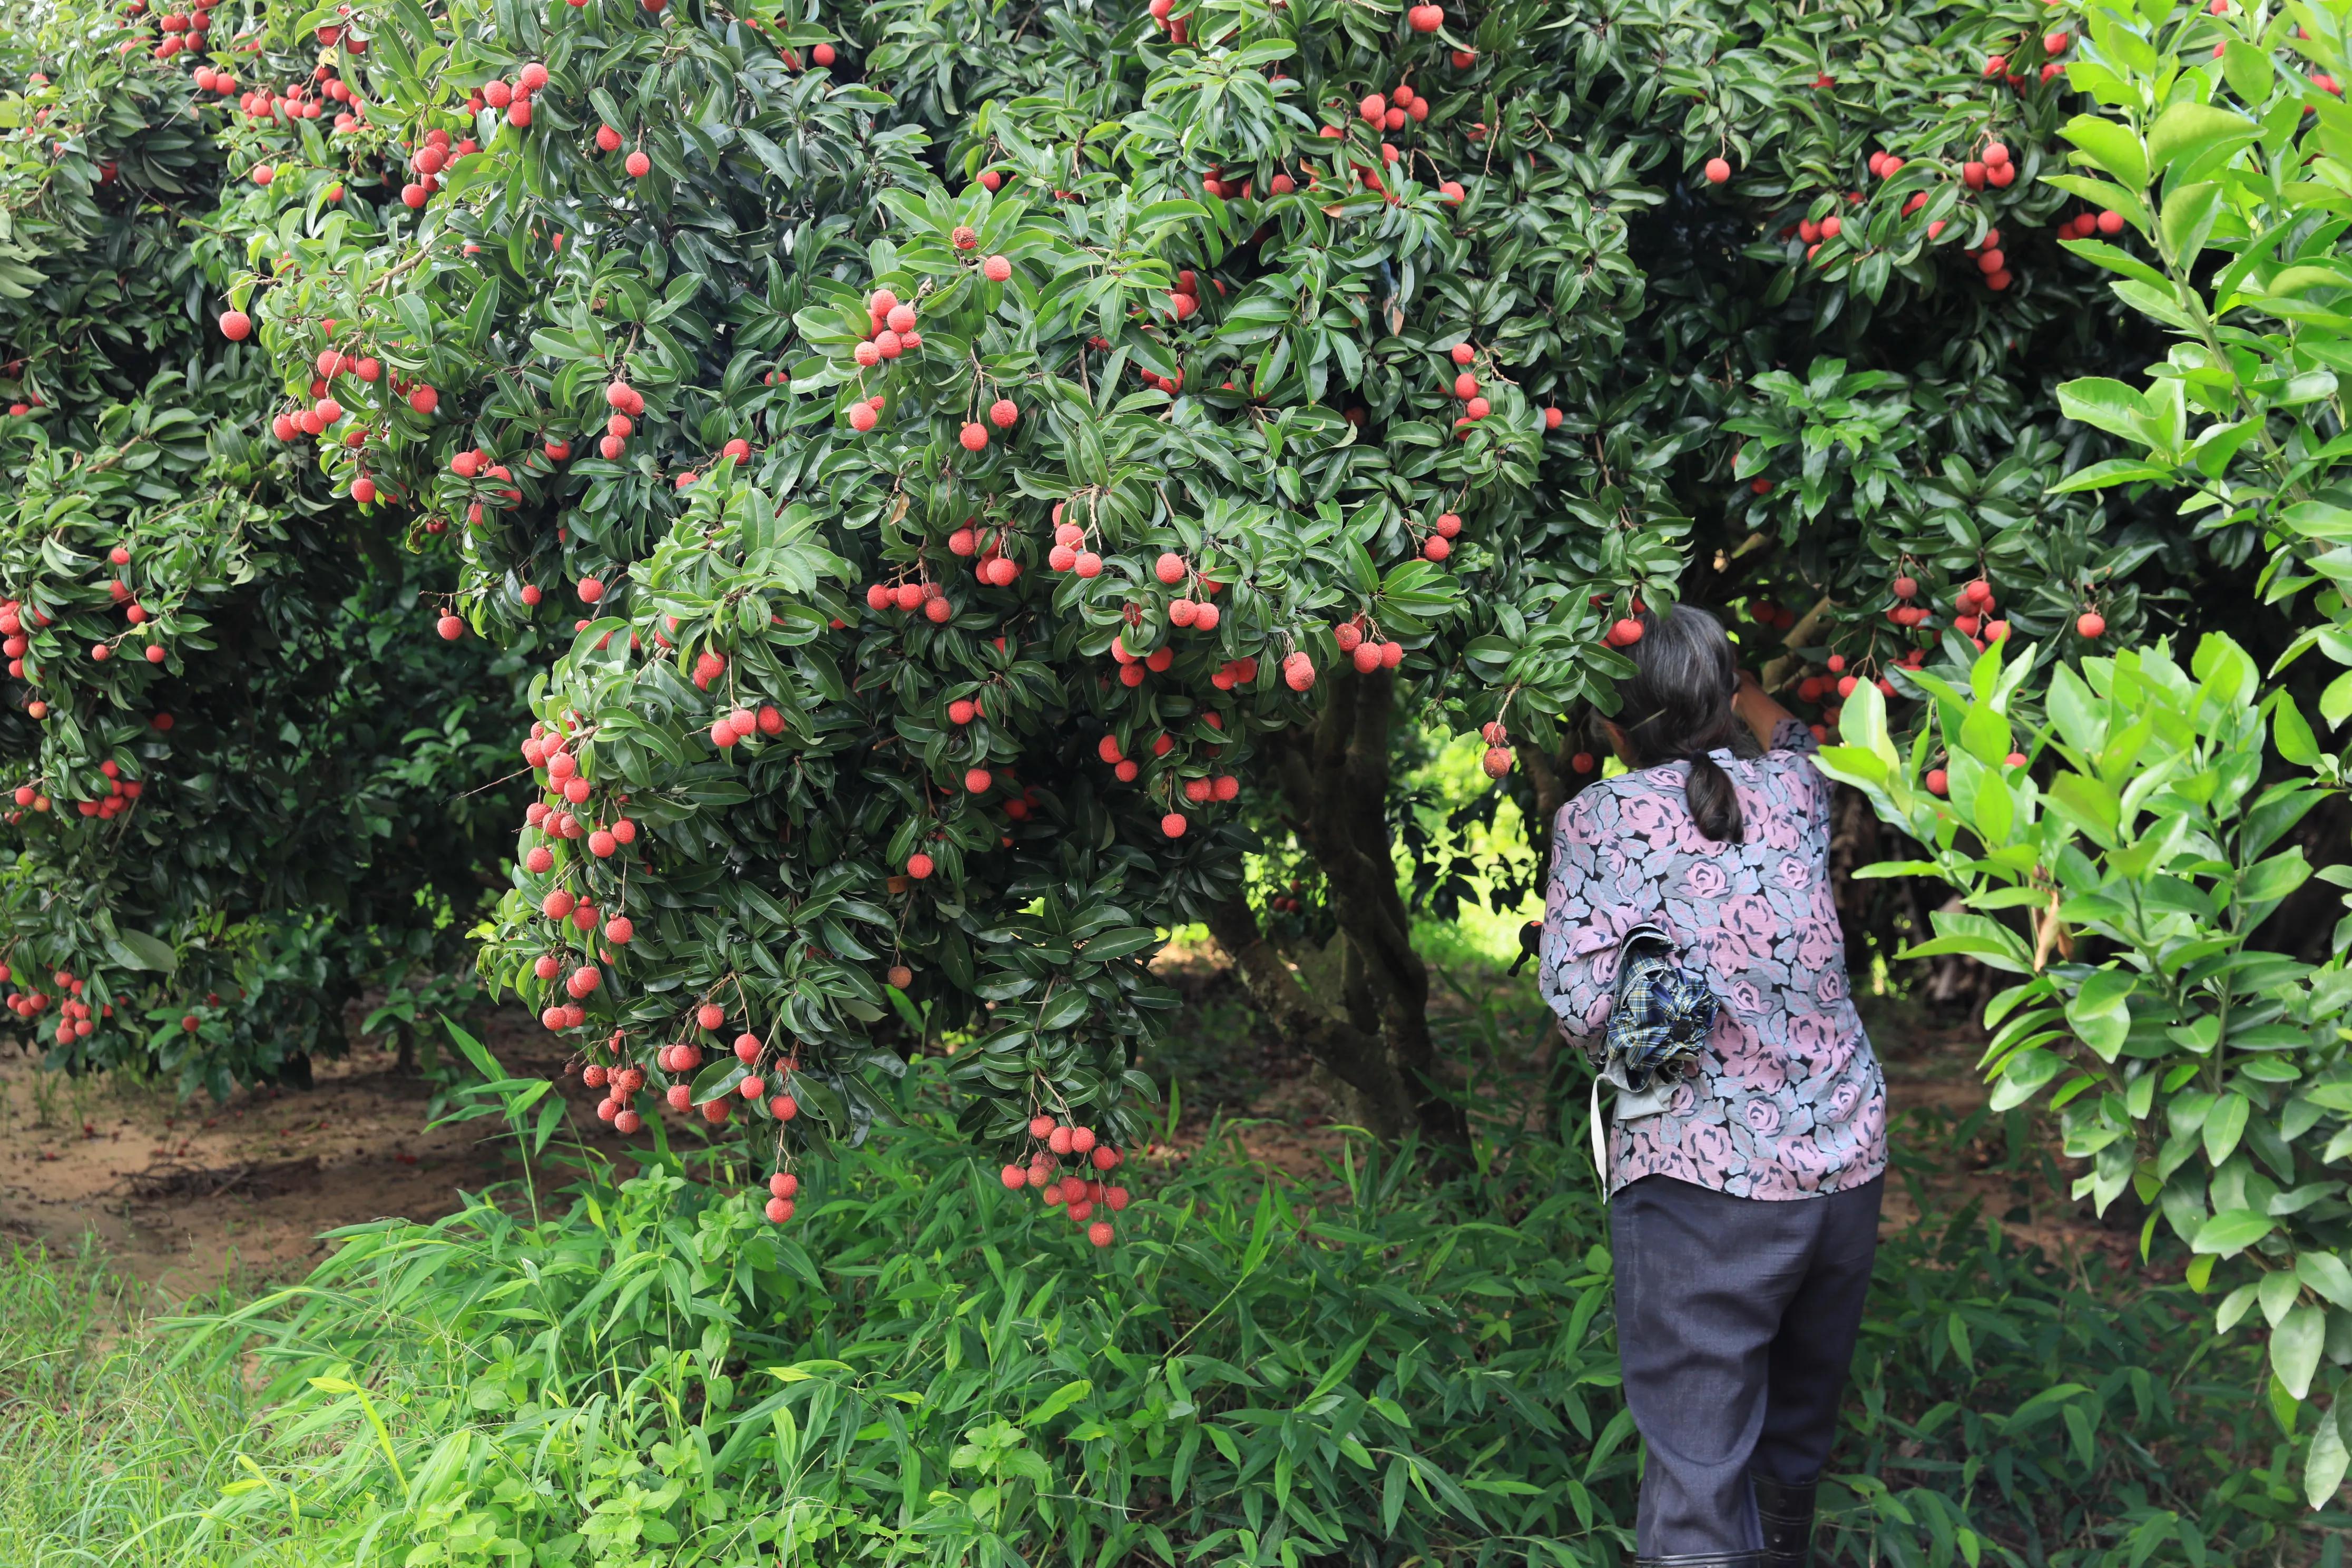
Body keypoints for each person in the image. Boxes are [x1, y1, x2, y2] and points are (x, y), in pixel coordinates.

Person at [1537, 604, 1887, 1568]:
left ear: (1614, 722)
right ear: (1724, 696)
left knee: (1697, 1475)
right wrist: (1734, 683)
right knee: (1792, 1450)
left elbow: (1580, 1006)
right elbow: (1797, 734)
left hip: (1704, 1193)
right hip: (1844, 1174)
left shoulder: (1600, 818)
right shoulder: (1799, 787)